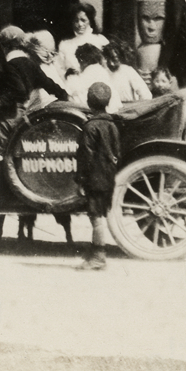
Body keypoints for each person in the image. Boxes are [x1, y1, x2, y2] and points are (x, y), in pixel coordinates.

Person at [0, 25, 68, 214]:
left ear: (4, 46)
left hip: (6, 116)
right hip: (22, 115)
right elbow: (50, 85)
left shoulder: (9, 65)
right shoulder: (30, 64)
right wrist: (65, 97)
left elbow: (18, 91)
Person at [75, 81, 121, 270]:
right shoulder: (112, 125)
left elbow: (86, 157)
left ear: (88, 102)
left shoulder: (90, 127)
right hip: (108, 176)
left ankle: (99, 256)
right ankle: (95, 250)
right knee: (100, 215)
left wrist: (80, 180)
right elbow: (117, 151)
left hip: (94, 178)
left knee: (96, 218)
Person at [57, 2, 108, 77]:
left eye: (83, 20)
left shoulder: (100, 40)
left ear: (90, 20)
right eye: (76, 20)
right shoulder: (65, 44)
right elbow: (60, 69)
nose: (80, 24)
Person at [66, 42, 115, 108]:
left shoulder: (89, 71)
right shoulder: (100, 69)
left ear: (82, 60)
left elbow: (76, 91)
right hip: (110, 105)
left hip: (96, 106)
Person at [103, 41, 152, 105]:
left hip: (129, 107)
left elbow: (145, 94)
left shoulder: (127, 70)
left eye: (114, 59)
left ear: (119, 58)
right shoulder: (103, 73)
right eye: (108, 59)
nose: (111, 63)